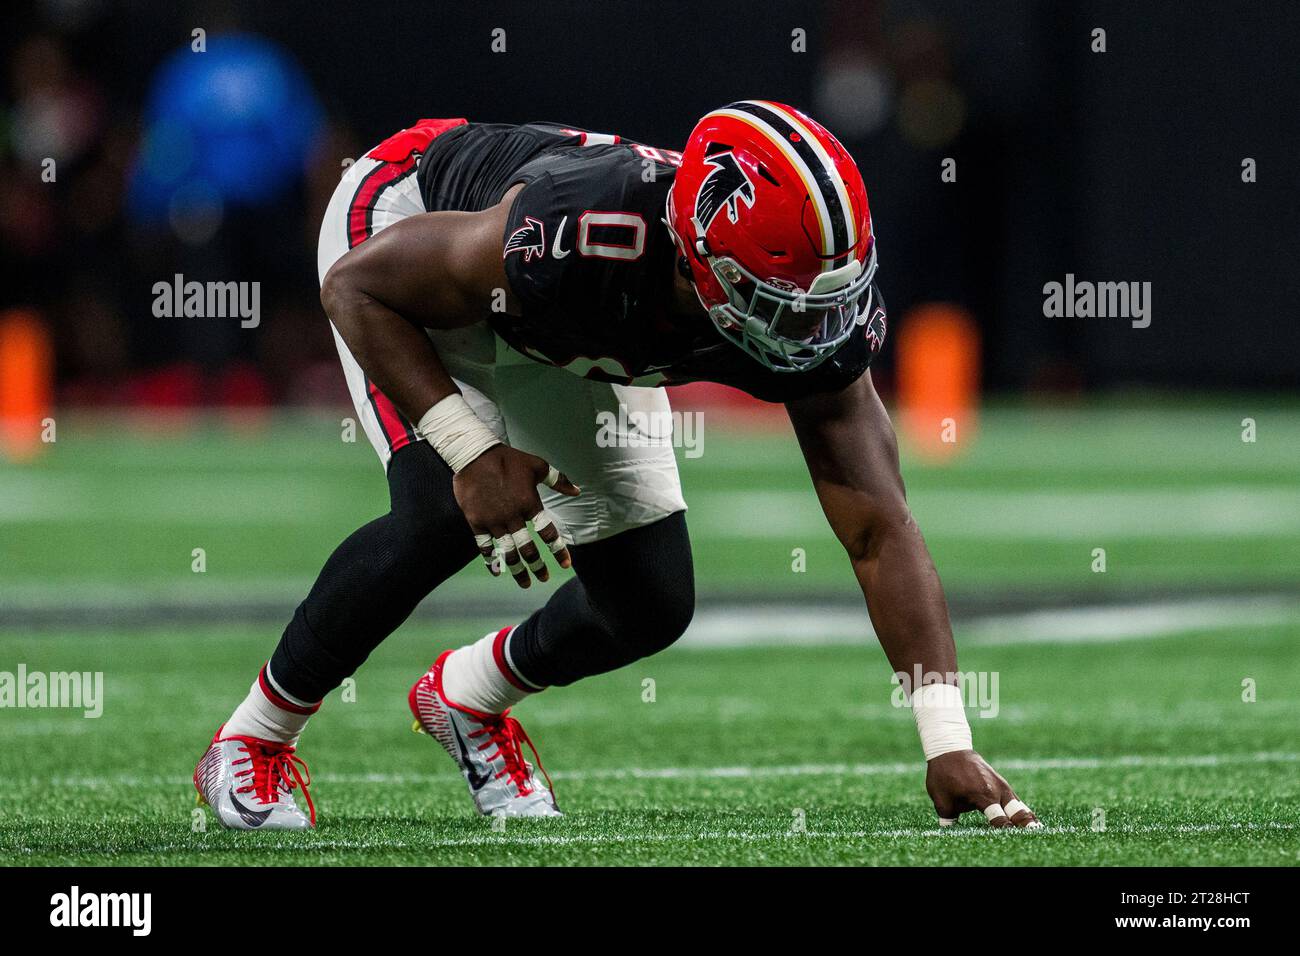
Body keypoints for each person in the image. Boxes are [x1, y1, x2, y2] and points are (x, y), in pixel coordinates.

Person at [193, 102, 1040, 831]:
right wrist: (470, 446)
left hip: (565, 319)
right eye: (775, 303)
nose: (806, 332)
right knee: (445, 511)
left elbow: (877, 525)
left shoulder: (806, 309)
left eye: (823, 301)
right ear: (699, 257)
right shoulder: (581, 232)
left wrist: (949, 741)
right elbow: (357, 288)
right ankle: (253, 738)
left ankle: (466, 698)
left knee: (649, 600)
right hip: (407, 239)